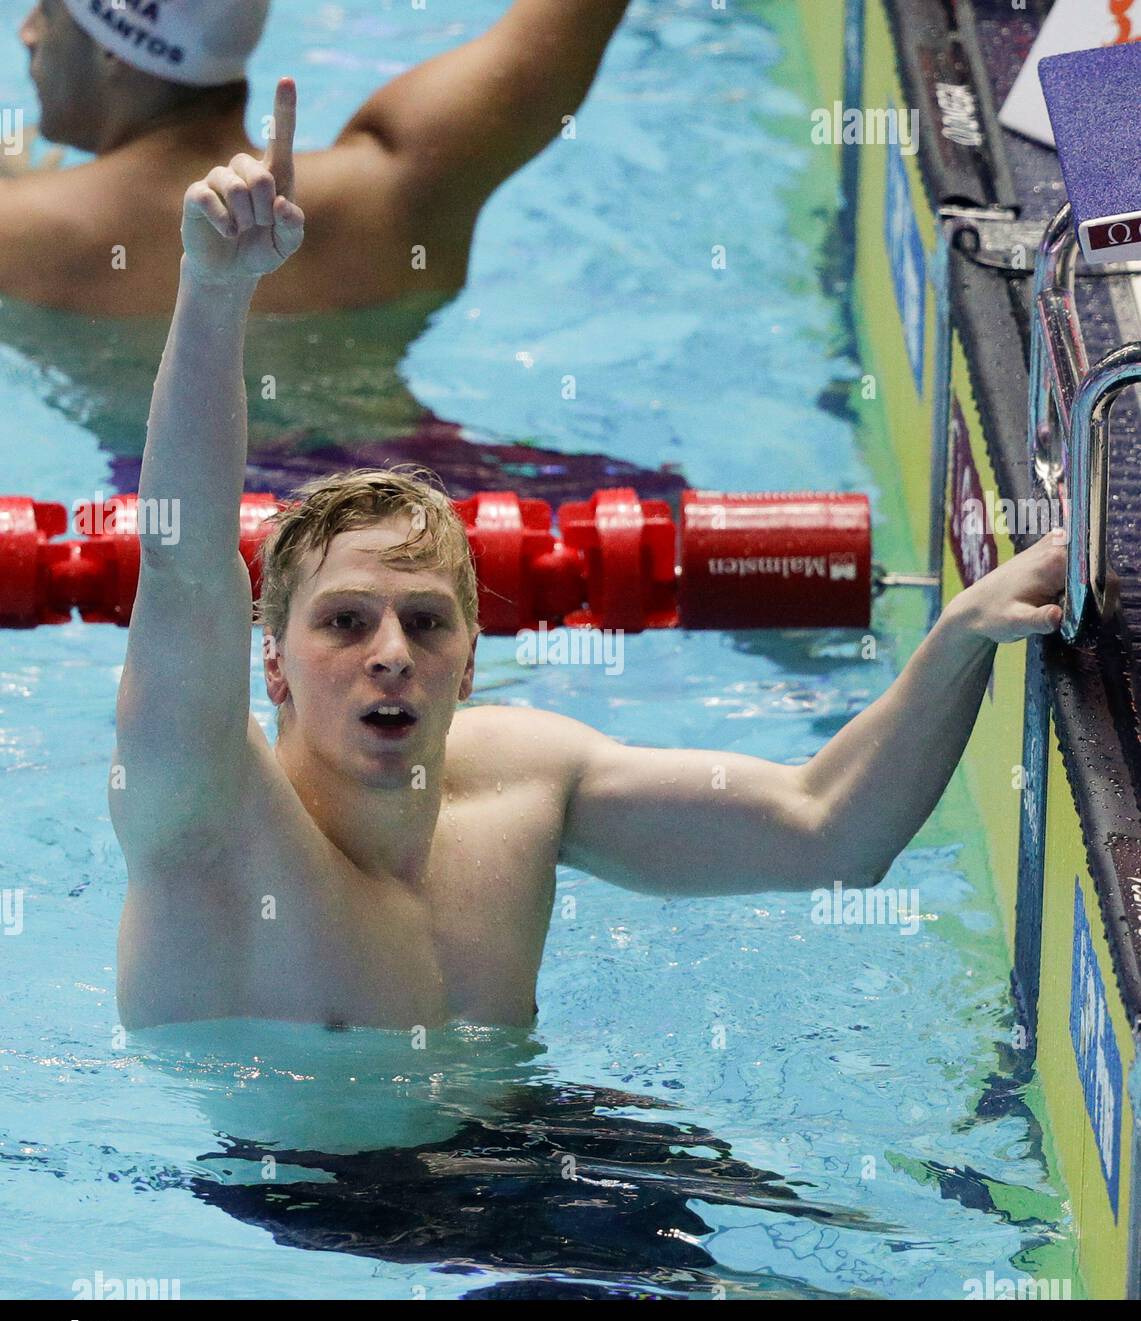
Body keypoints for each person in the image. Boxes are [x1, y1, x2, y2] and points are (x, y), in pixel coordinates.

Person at [111, 79, 1069, 1031]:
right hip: (299, 1185)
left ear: (471, 660)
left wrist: (959, 635)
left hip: (526, 1152)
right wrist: (217, 289)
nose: (393, 651)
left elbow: (828, 831)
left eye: (427, 620)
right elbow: (184, 561)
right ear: (271, 660)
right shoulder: (210, 813)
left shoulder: (521, 781)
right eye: (345, 621)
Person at [10, 0, 633, 316]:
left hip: (169, 529)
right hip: (411, 512)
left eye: (49, 11)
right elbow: (559, 35)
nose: (27, 31)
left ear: (115, 55)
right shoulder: (399, 185)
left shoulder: (18, 235)